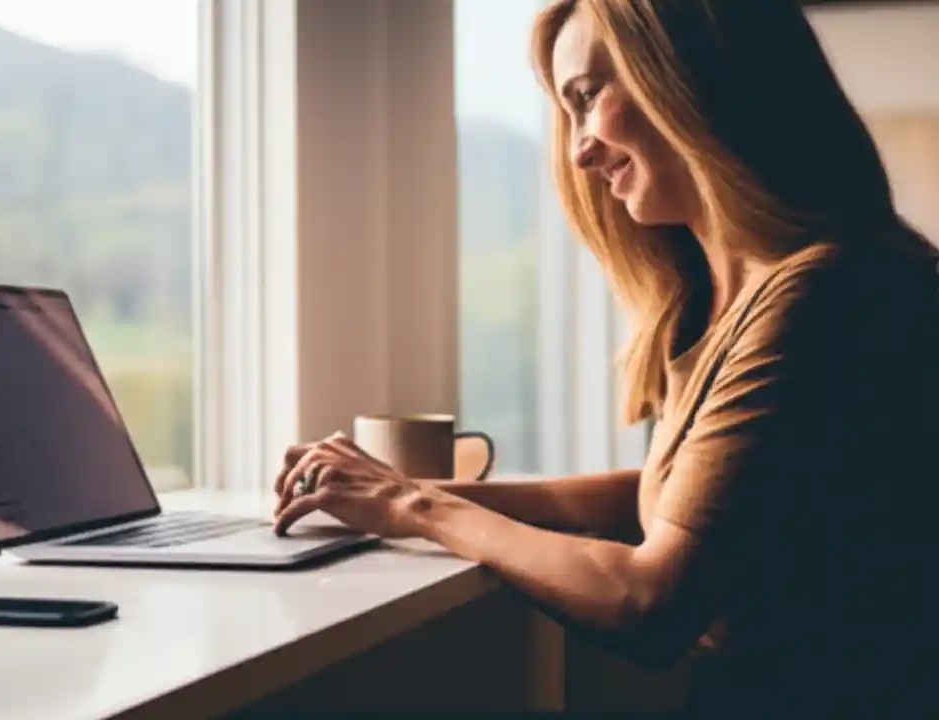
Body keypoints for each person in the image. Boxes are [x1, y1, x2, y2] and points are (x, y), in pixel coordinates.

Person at [271, 0, 938, 714]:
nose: (581, 150)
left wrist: (416, 503)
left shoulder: (828, 292)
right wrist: (381, 499)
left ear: (690, 75)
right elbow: (683, 500)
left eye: (587, 99)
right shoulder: (737, 296)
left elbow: (649, 601)